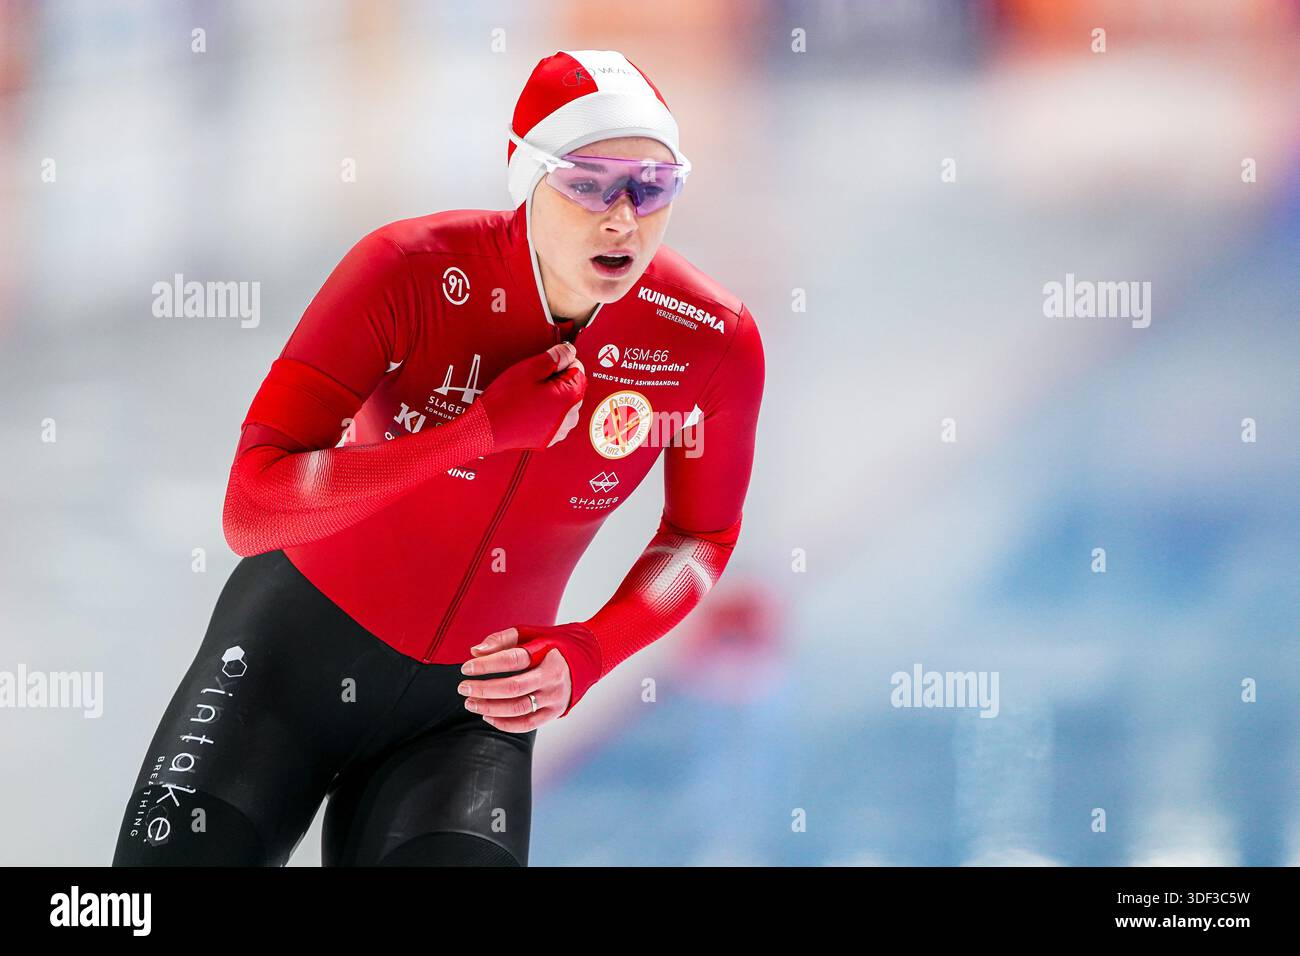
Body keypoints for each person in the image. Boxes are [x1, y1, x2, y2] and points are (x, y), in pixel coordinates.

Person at [111, 48, 765, 867]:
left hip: (471, 719)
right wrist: (475, 433)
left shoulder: (710, 339)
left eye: (652, 187)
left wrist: (592, 649)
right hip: (284, 668)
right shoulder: (408, 270)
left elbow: (700, 539)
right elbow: (253, 506)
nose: (622, 217)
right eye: (588, 183)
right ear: (525, 173)